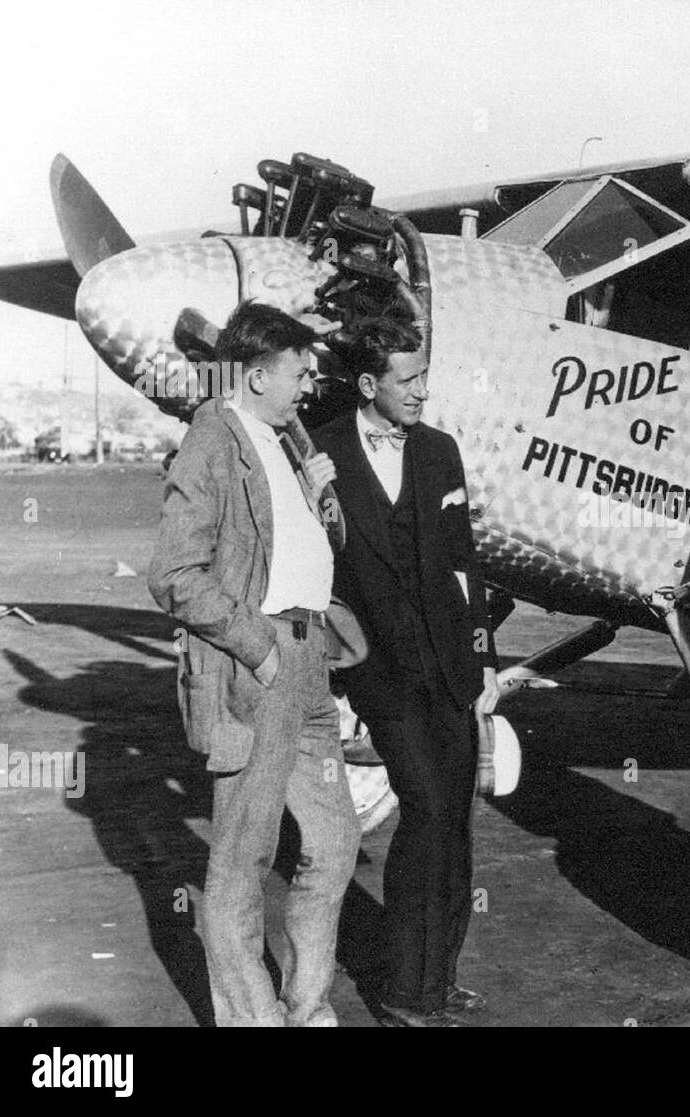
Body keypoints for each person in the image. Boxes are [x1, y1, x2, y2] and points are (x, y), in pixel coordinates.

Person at [148, 301, 360, 1027]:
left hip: (309, 665)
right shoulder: (214, 439)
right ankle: (252, 1020)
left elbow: (292, 549)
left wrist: (318, 496)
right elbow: (175, 572)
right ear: (259, 372)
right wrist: (259, 646)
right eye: (299, 372)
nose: (309, 385)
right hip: (258, 664)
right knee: (242, 859)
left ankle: (306, 1006)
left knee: (335, 843)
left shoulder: (280, 442)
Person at [313, 316, 499, 1028]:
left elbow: (464, 560)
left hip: (450, 663)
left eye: (425, 375)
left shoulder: (439, 452)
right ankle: (405, 991)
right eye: (408, 379)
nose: (422, 390)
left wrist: (485, 658)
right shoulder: (323, 454)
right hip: (380, 671)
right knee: (423, 806)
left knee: (453, 818)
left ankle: (441, 976)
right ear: (368, 384)